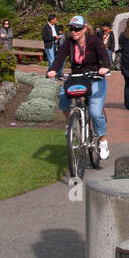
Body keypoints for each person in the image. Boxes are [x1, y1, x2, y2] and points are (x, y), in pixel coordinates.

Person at [47, 14, 111, 159]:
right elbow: (59, 58)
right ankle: (73, 125)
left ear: (84, 28)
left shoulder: (94, 40)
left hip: (95, 77)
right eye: (71, 29)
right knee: (63, 100)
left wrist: (105, 68)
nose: (74, 32)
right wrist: (53, 70)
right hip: (77, 77)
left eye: (77, 29)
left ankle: (102, 140)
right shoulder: (69, 42)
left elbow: (105, 56)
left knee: (95, 112)